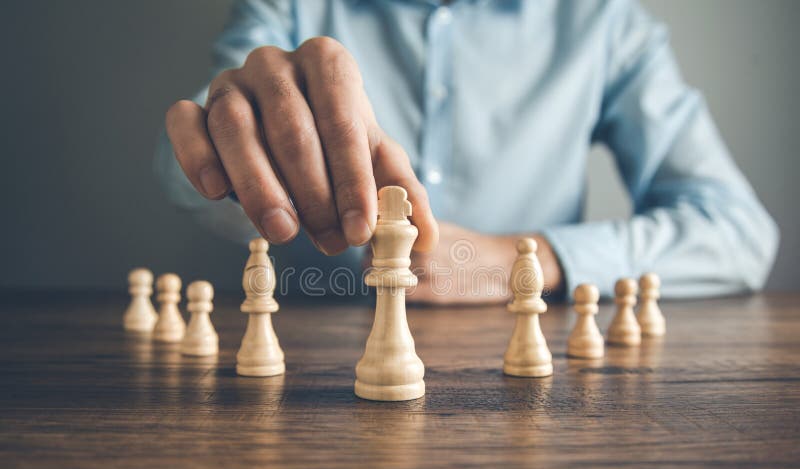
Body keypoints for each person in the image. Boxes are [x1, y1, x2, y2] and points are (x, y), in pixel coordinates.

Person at [156, 0, 778, 303]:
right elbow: (182, 171)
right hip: (316, 374)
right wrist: (226, 149)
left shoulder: (605, 23)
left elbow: (740, 235)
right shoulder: (289, 7)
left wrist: (525, 264)